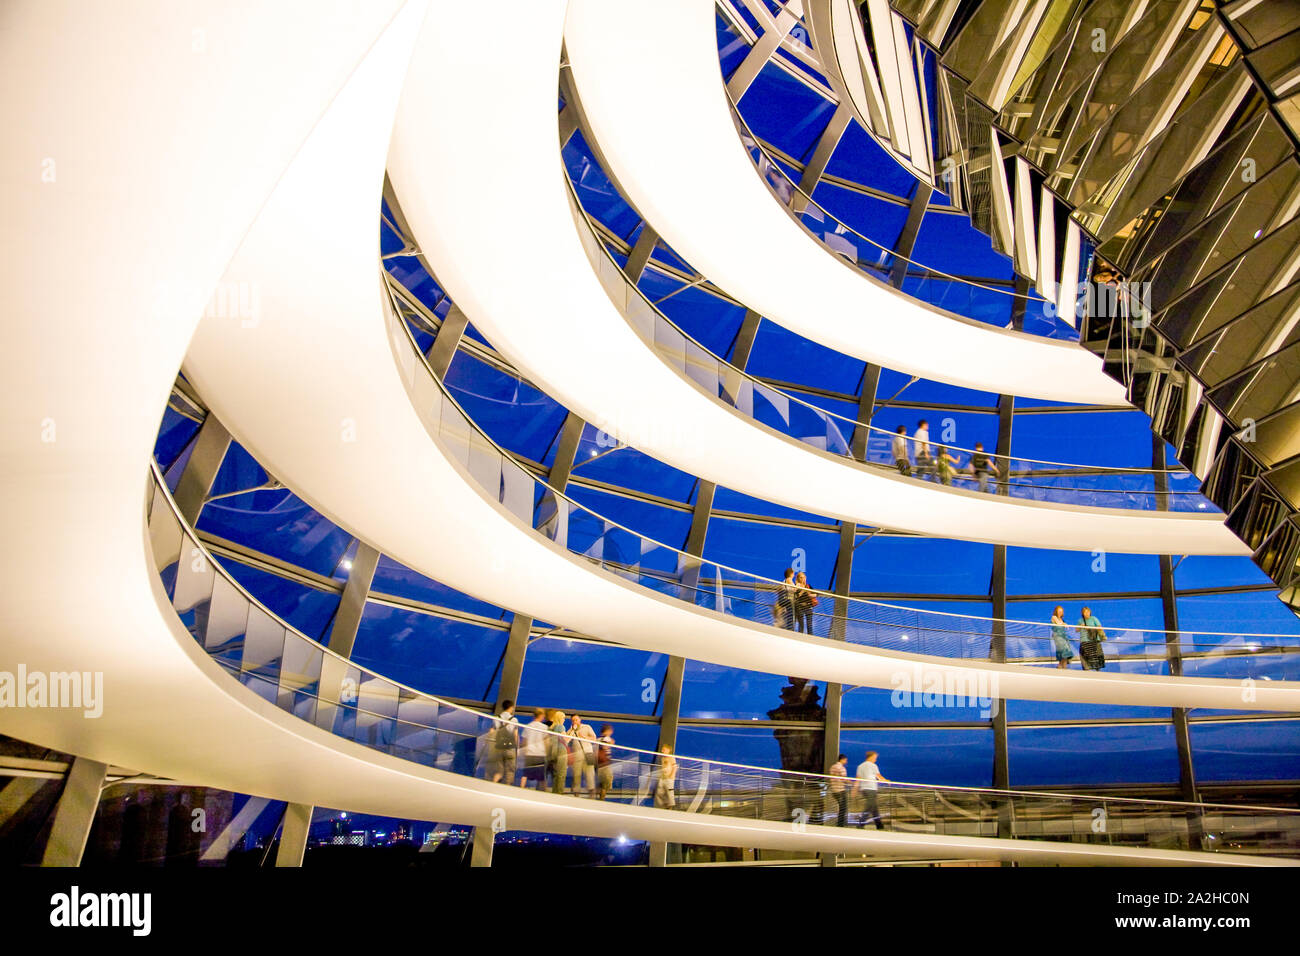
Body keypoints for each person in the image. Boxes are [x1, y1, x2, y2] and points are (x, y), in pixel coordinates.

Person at [855, 750, 890, 829]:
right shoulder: (873, 765)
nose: (875, 759)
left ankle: (879, 825)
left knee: (874, 808)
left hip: (864, 789)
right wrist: (886, 781)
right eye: (875, 757)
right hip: (871, 789)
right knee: (869, 806)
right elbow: (879, 776)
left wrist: (855, 789)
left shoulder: (860, 766)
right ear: (871, 757)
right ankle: (860, 824)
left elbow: (858, 779)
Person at [489, 699, 519, 785]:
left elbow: (492, 732)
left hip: (499, 746)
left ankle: (493, 785)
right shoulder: (514, 720)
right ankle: (507, 788)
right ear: (511, 707)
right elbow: (515, 735)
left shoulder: (496, 718)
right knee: (510, 771)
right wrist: (516, 748)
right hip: (510, 747)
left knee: (499, 771)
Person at [519, 707, 549, 788]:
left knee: (525, 774)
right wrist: (547, 753)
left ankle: (520, 790)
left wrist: (524, 752)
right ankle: (544, 793)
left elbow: (524, 741)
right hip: (540, 754)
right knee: (542, 777)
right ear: (541, 715)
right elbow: (546, 742)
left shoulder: (528, 726)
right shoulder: (544, 727)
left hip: (529, 753)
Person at [569, 713, 598, 796]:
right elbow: (567, 739)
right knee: (576, 774)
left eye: (576, 719)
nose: (575, 721)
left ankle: (592, 792)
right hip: (577, 755)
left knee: (590, 773)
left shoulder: (587, 727)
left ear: (580, 719)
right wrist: (572, 730)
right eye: (573, 720)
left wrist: (584, 737)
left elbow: (594, 739)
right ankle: (576, 793)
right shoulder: (571, 730)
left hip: (588, 753)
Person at [546, 709, 569, 794]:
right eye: (563, 718)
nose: (564, 720)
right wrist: (572, 732)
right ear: (559, 718)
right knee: (561, 774)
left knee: (555, 775)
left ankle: (554, 793)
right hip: (561, 751)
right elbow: (566, 740)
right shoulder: (560, 727)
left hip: (552, 751)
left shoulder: (551, 728)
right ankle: (559, 794)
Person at [1078, 606, 1107, 670]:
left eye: (1088, 612)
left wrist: (1091, 628)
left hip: (1094, 640)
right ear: (1082, 613)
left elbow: (1099, 627)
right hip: (1084, 641)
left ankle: (1097, 670)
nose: (1087, 613)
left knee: (1096, 656)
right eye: (1085, 612)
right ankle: (1087, 670)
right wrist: (1080, 626)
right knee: (1086, 656)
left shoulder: (1094, 619)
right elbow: (1076, 630)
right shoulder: (1080, 620)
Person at [826, 754, 849, 827]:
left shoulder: (832, 767)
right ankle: (840, 824)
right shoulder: (842, 768)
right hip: (840, 790)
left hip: (834, 789)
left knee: (840, 807)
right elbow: (843, 779)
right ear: (842, 759)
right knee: (843, 808)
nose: (846, 761)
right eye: (846, 760)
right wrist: (852, 782)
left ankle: (840, 823)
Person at [596, 724, 615, 800]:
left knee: (602, 784)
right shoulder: (606, 738)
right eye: (610, 730)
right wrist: (611, 743)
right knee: (606, 784)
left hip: (599, 764)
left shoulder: (598, 739)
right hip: (605, 764)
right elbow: (605, 746)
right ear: (607, 731)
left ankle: (600, 798)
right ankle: (602, 800)